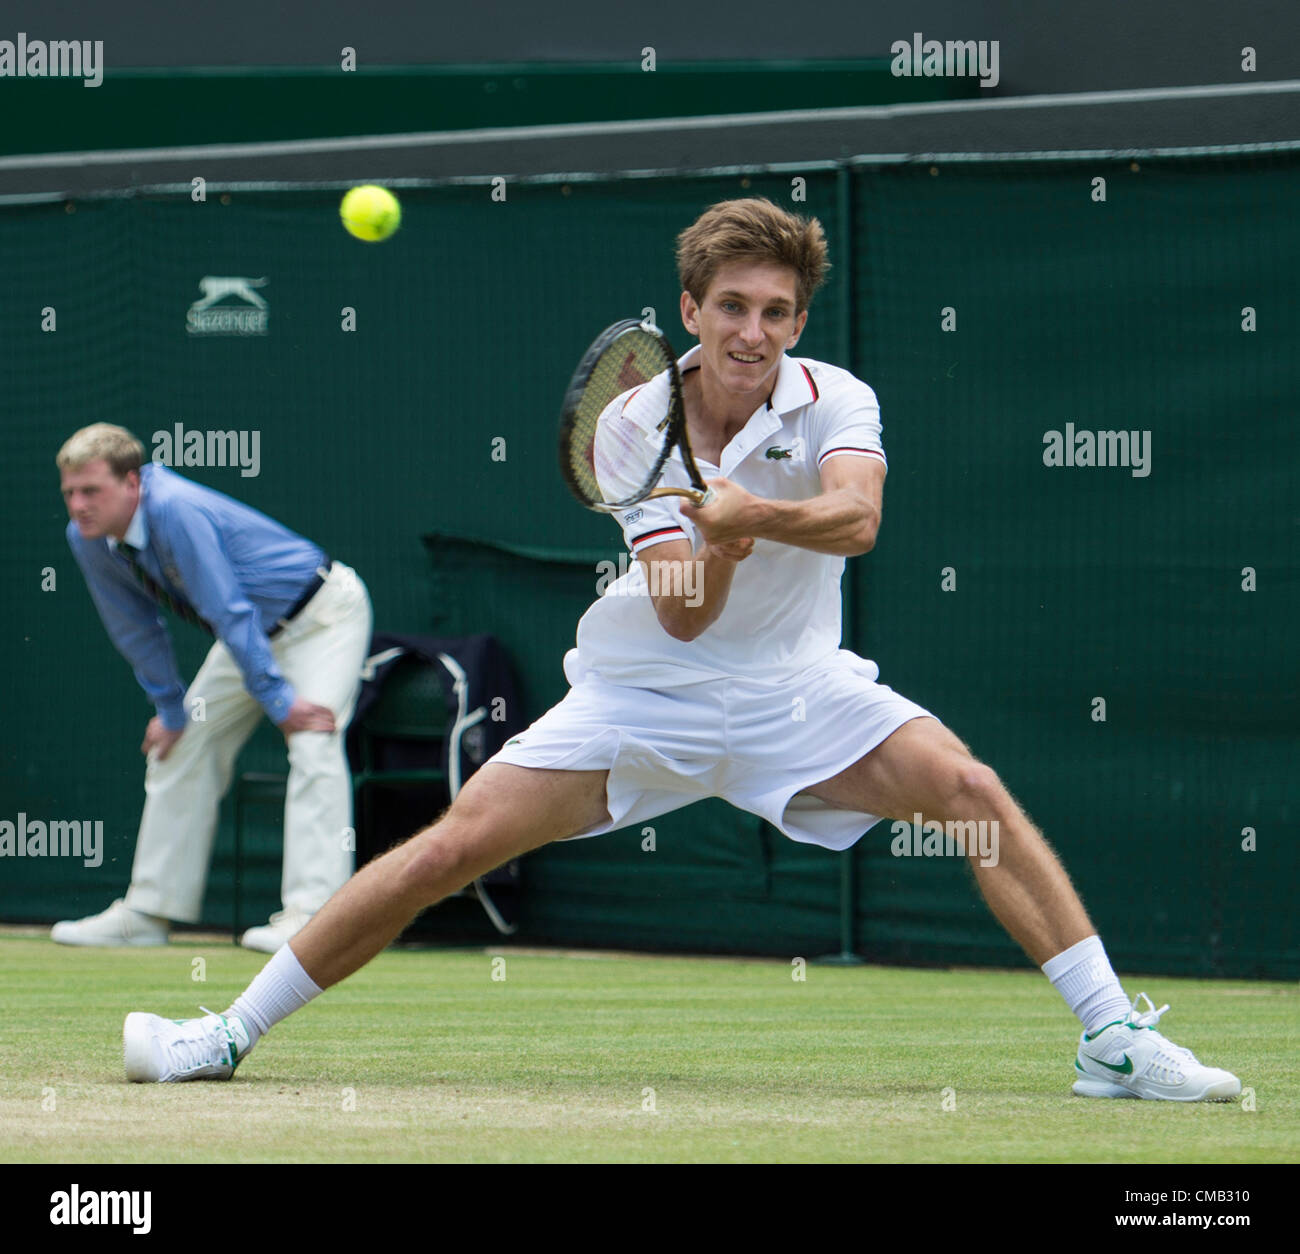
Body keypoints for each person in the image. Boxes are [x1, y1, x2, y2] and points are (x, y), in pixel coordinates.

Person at [122, 200, 1239, 1101]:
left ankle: (1112, 1041)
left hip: (799, 693)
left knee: (969, 790)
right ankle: (221, 1035)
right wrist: (703, 517)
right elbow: (687, 614)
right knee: (441, 851)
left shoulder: (836, 395)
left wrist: (740, 509)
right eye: (733, 307)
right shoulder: (631, 425)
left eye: (778, 311)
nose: (754, 333)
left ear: (799, 322)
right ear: (691, 309)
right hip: (641, 696)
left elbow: (857, 521)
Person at [55, 424, 373, 953]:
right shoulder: (88, 539)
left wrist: (278, 699)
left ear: (132, 481)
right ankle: (148, 912)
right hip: (247, 636)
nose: (79, 505)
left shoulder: (175, 509)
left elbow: (227, 607)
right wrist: (170, 709)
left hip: (323, 617)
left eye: (91, 491)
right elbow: (134, 626)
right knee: (177, 745)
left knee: (314, 744)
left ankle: (312, 918)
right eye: (69, 493)